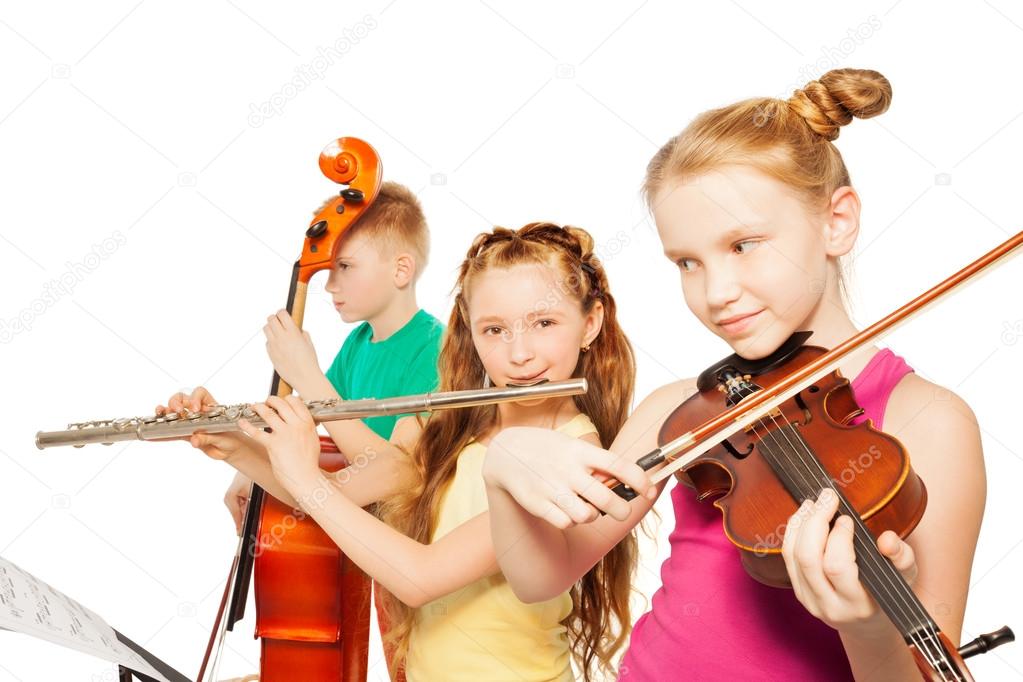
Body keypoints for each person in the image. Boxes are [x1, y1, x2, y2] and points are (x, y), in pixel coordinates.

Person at [481, 68, 986, 680]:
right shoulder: (683, 409)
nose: (715, 292)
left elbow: (929, 669)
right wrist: (503, 462)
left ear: (837, 221)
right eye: (687, 262)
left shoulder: (928, 421)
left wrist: (868, 628)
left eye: (743, 245)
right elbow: (542, 576)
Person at [217, 223, 638, 681]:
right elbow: (333, 495)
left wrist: (304, 476)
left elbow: (419, 578)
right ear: (471, 333)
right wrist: (233, 448)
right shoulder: (444, 424)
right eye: (494, 329)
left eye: (544, 323)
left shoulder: (575, 455)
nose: (519, 354)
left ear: (590, 324)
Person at [159, 180, 443, 680]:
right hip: (362, 539)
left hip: (411, 548)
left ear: (402, 268)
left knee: (413, 667)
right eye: (325, 271)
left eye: (344, 268)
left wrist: (306, 375)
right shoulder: (357, 345)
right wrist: (233, 438)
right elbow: (311, 447)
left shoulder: (436, 349)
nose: (329, 286)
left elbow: (394, 470)